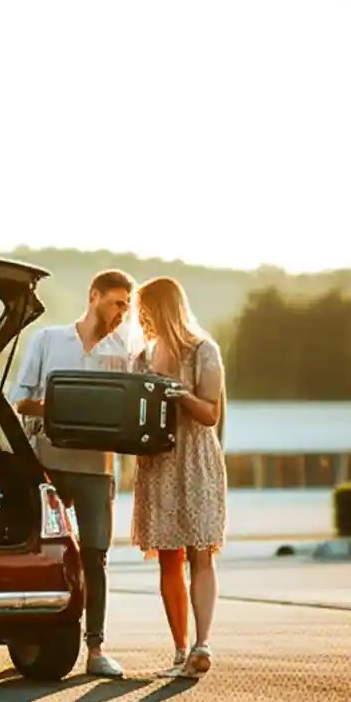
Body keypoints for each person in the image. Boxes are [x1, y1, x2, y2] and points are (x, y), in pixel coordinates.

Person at [8, 268, 138, 678]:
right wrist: (68, 408)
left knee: (95, 557)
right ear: (94, 296)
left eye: (126, 306)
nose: (121, 312)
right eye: (116, 302)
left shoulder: (123, 352)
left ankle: (96, 648)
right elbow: (20, 400)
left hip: (96, 470)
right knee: (38, 555)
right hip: (47, 464)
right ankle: (30, 641)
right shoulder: (48, 339)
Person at [130, 276, 228, 679]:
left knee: (200, 551)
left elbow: (210, 415)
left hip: (196, 460)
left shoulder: (204, 351)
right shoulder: (143, 357)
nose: (141, 317)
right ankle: (180, 651)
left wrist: (178, 394)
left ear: (162, 308)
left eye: (145, 309)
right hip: (158, 463)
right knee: (169, 558)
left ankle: (202, 644)